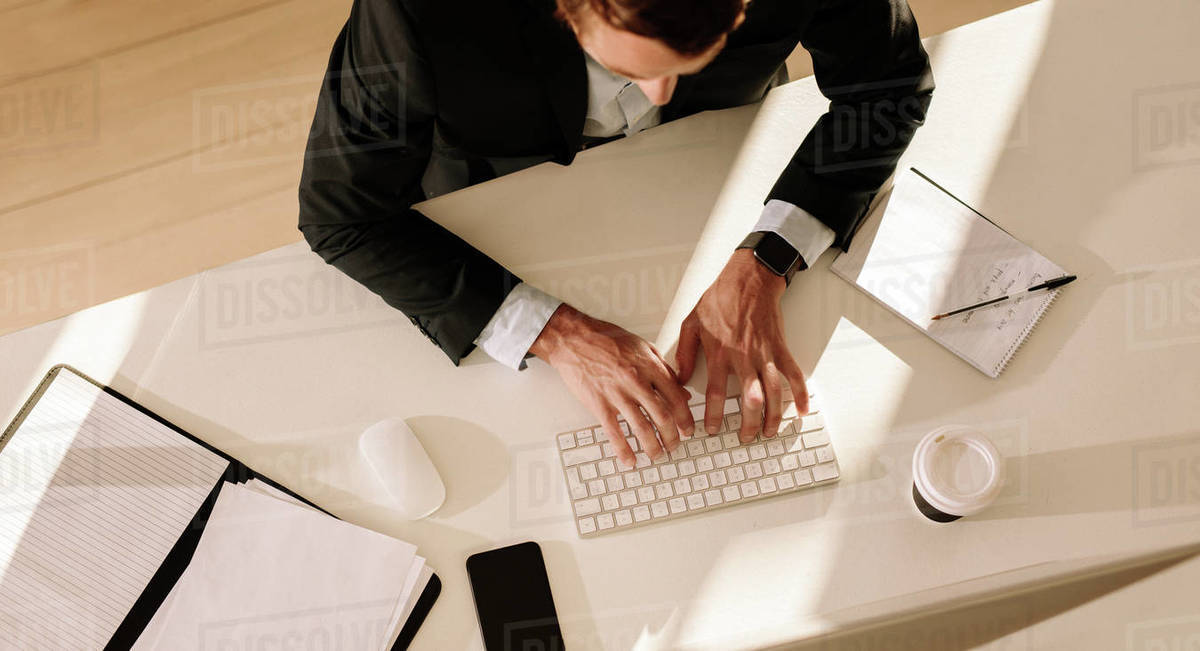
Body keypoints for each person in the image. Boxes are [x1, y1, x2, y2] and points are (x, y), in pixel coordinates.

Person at [298, 0, 933, 468]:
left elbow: (890, 86)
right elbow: (342, 214)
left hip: (722, 157)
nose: (656, 93)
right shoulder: (415, 12)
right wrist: (555, 332)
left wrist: (770, 256)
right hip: (505, 191)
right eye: (632, 60)